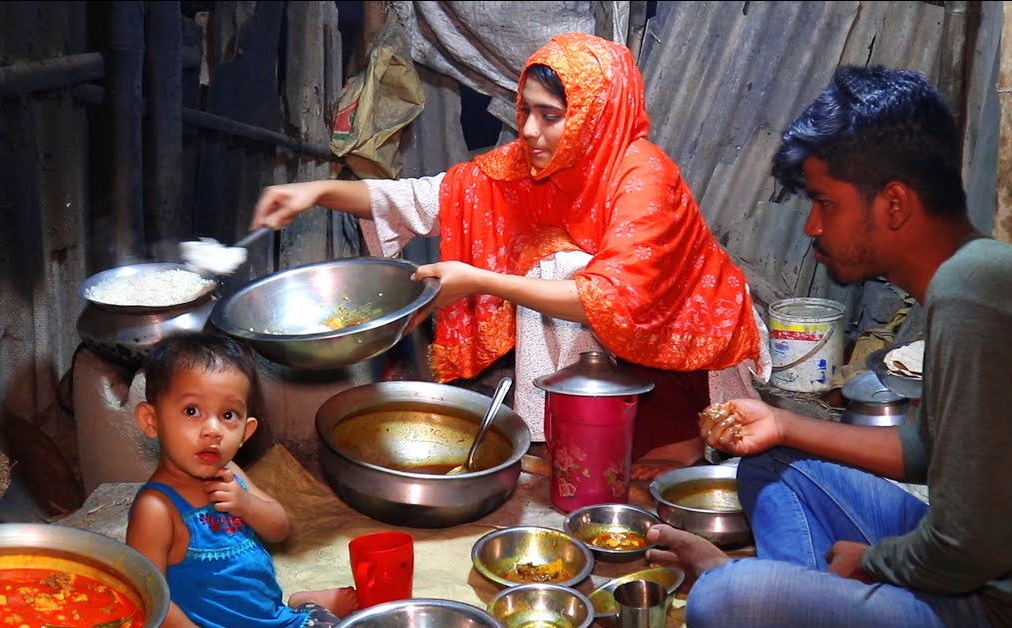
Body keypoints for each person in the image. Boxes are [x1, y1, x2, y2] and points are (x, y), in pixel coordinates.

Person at [647, 65, 1012, 628]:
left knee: (723, 604)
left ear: (892, 205)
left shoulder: (973, 299)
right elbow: (927, 447)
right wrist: (783, 426)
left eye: (826, 203)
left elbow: (973, 544)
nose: (811, 227)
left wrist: (877, 563)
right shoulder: (984, 273)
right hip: (990, 578)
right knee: (772, 464)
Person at [250, 33, 771, 483]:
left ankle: (672, 441)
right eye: (526, 110)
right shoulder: (530, 164)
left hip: (681, 351)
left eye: (551, 116)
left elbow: (610, 302)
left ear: (596, 115)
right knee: (557, 266)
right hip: (610, 355)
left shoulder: (642, 176)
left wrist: (484, 281)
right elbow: (425, 198)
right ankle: (568, 439)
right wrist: (315, 191)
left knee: (561, 268)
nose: (527, 131)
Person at [125, 331, 358, 628]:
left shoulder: (231, 473)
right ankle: (290, 618)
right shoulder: (157, 508)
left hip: (270, 623)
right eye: (191, 411)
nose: (212, 429)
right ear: (152, 420)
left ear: (246, 432)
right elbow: (151, 603)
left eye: (228, 415)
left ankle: (302, 605)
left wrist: (247, 504)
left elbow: (280, 527)